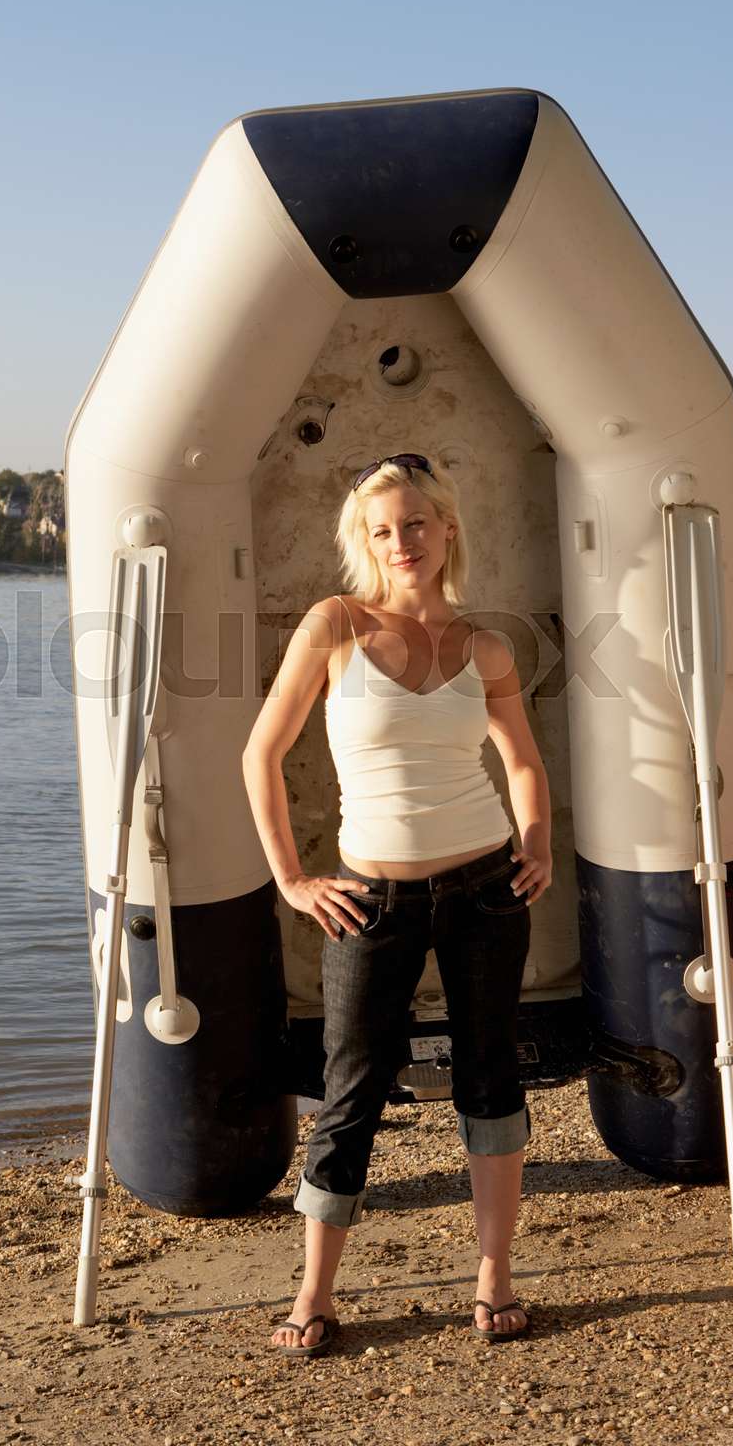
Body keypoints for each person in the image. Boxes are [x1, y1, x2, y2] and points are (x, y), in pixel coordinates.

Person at [241, 452, 552, 1352]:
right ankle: (316, 1292)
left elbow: (523, 761)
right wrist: (294, 879)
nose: (400, 542)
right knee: (351, 1088)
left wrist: (533, 844)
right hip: (370, 898)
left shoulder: (483, 647)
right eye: (381, 530)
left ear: (447, 527)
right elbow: (261, 754)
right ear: (364, 543)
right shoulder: (334, 626)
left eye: (415, 523)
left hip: (486, 890)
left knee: (491, 1075)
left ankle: (493, 1276)